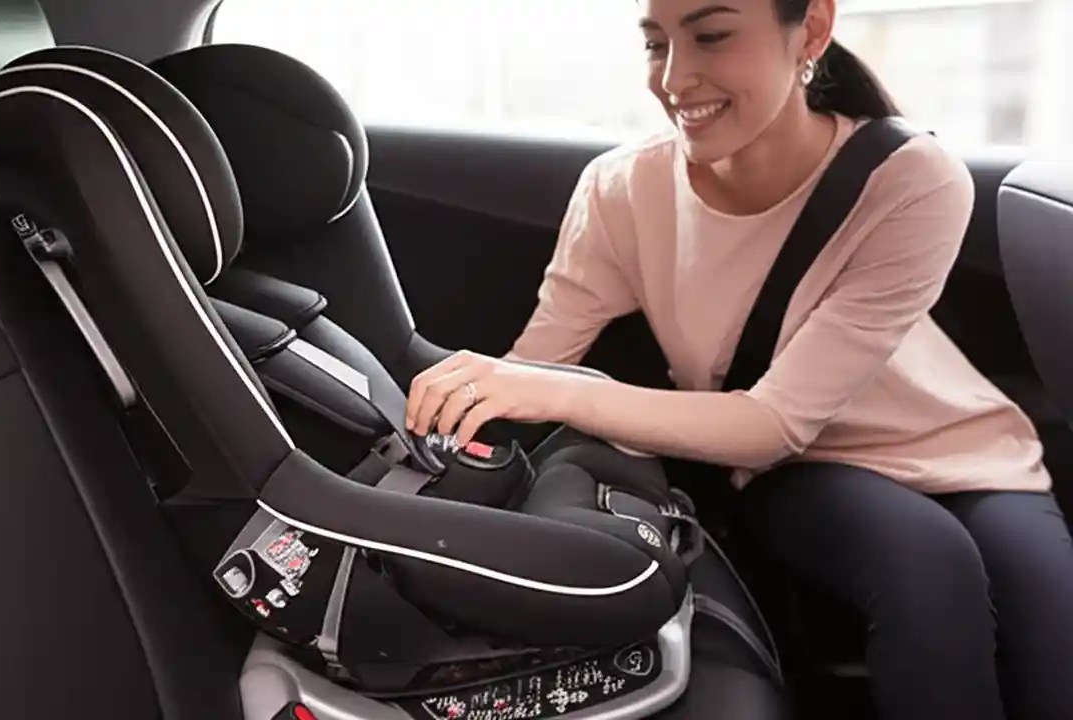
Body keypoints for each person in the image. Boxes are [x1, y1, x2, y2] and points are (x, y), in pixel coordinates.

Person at [402, 0, 1073, 718]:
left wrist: (552, 390)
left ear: (811, 29)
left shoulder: (912, 179)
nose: (674, 78)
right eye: (656, 44)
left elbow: (770, 418)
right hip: (801, 468)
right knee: (929, 568)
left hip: (965, 451)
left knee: (1055, 644)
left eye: (713, 36)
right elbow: (534, 366)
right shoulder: (623, 191)